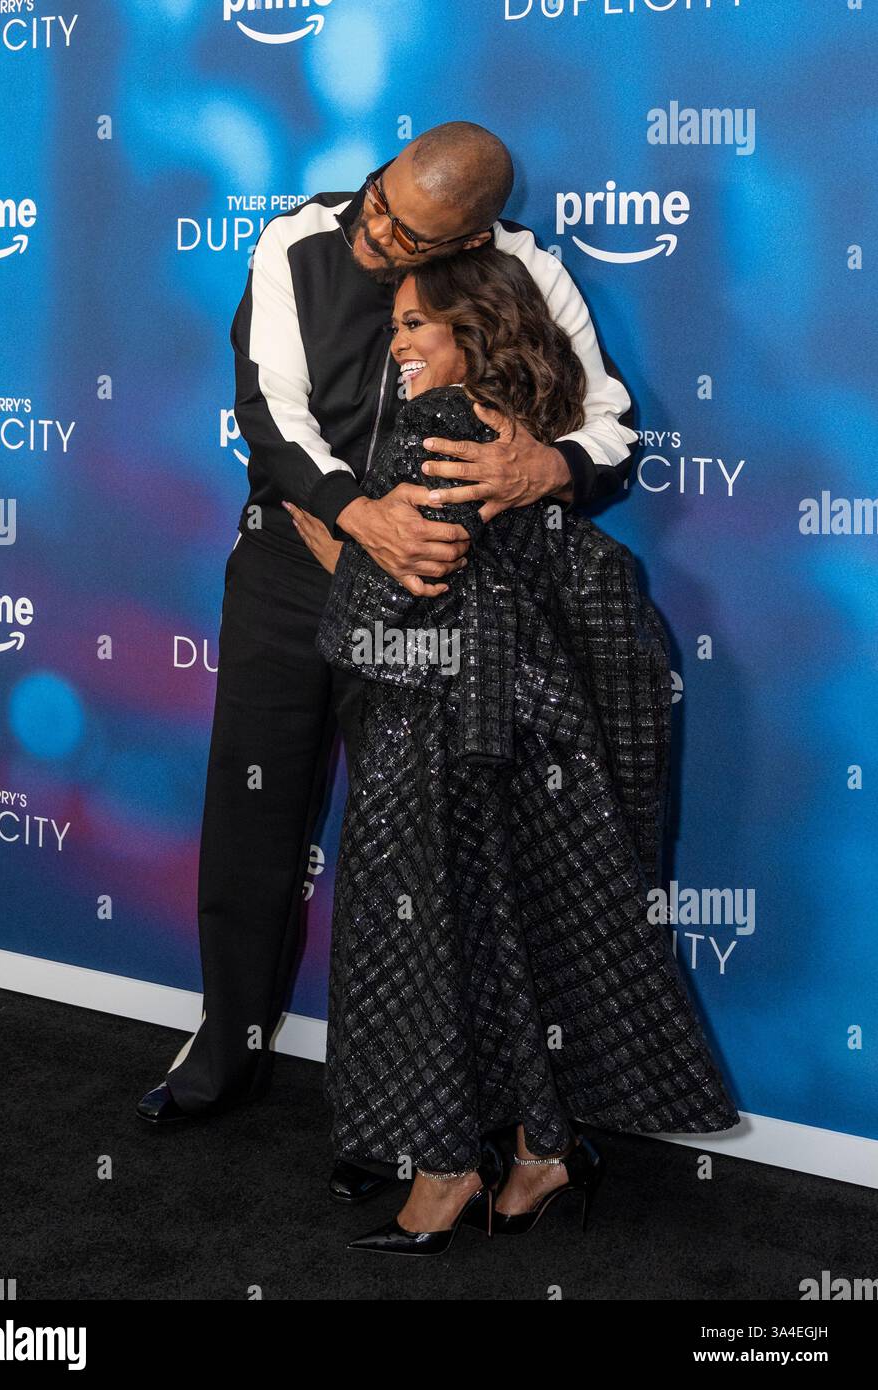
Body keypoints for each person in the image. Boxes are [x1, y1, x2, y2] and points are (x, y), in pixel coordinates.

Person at [136, 122, 641, 1206]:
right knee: (251, 820)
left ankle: (400, 1116)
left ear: (465, 233)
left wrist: (543, 465)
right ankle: (221, 1053)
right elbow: (267, 413)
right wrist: (354, 516)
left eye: (407, 234)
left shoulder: (524, 268)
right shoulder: (297, 241)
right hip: (297, 563)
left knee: (409, 863)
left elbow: (612, 430)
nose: (375, 236)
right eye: (376, 205)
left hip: (439, 594)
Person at [294, 247, 740, 1256]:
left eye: (414, 324)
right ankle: (543, 1149)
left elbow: (382, 613)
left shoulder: (433, 428)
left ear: (472, 333)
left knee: (420, 945)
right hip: (531, 728)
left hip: (440, 736)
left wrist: (330, 537)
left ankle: (446, 1171)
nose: (395, 342)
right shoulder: (521, 429)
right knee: (518, 930)